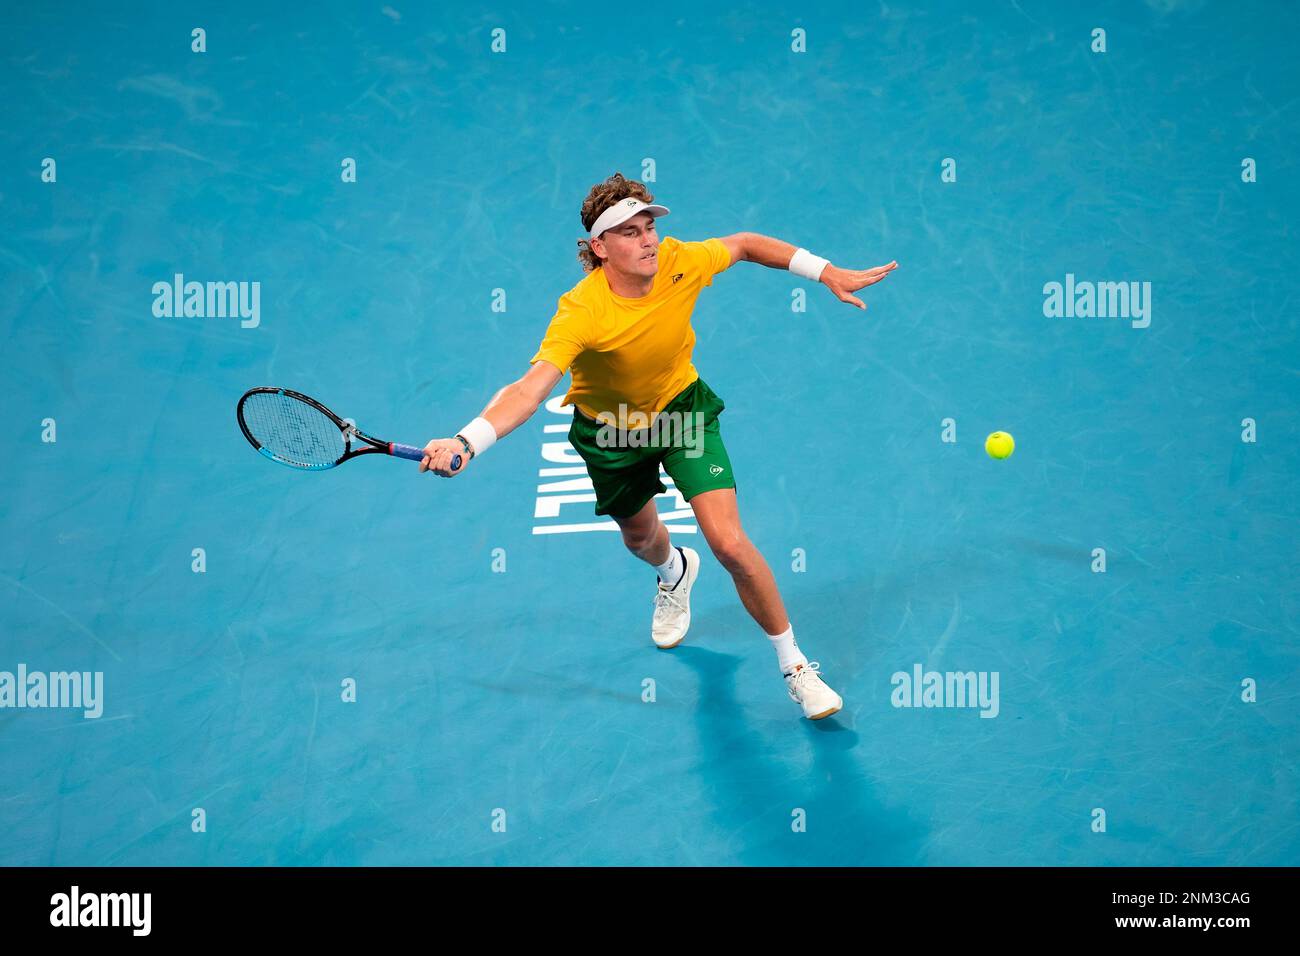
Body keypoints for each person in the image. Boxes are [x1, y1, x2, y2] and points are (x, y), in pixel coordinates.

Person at [420, 173, 896, 719]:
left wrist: (825, 271)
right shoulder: (582, 311)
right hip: (611, 434)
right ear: (599, 249)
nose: (648, 240)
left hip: (681, 414)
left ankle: (794, 666)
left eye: (649, 227)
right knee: (641, 538)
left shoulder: (678, 260)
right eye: (629, 233)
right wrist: (467, 440)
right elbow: (530, 390)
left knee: (731, 544)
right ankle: (673, 571)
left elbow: (742, 244)